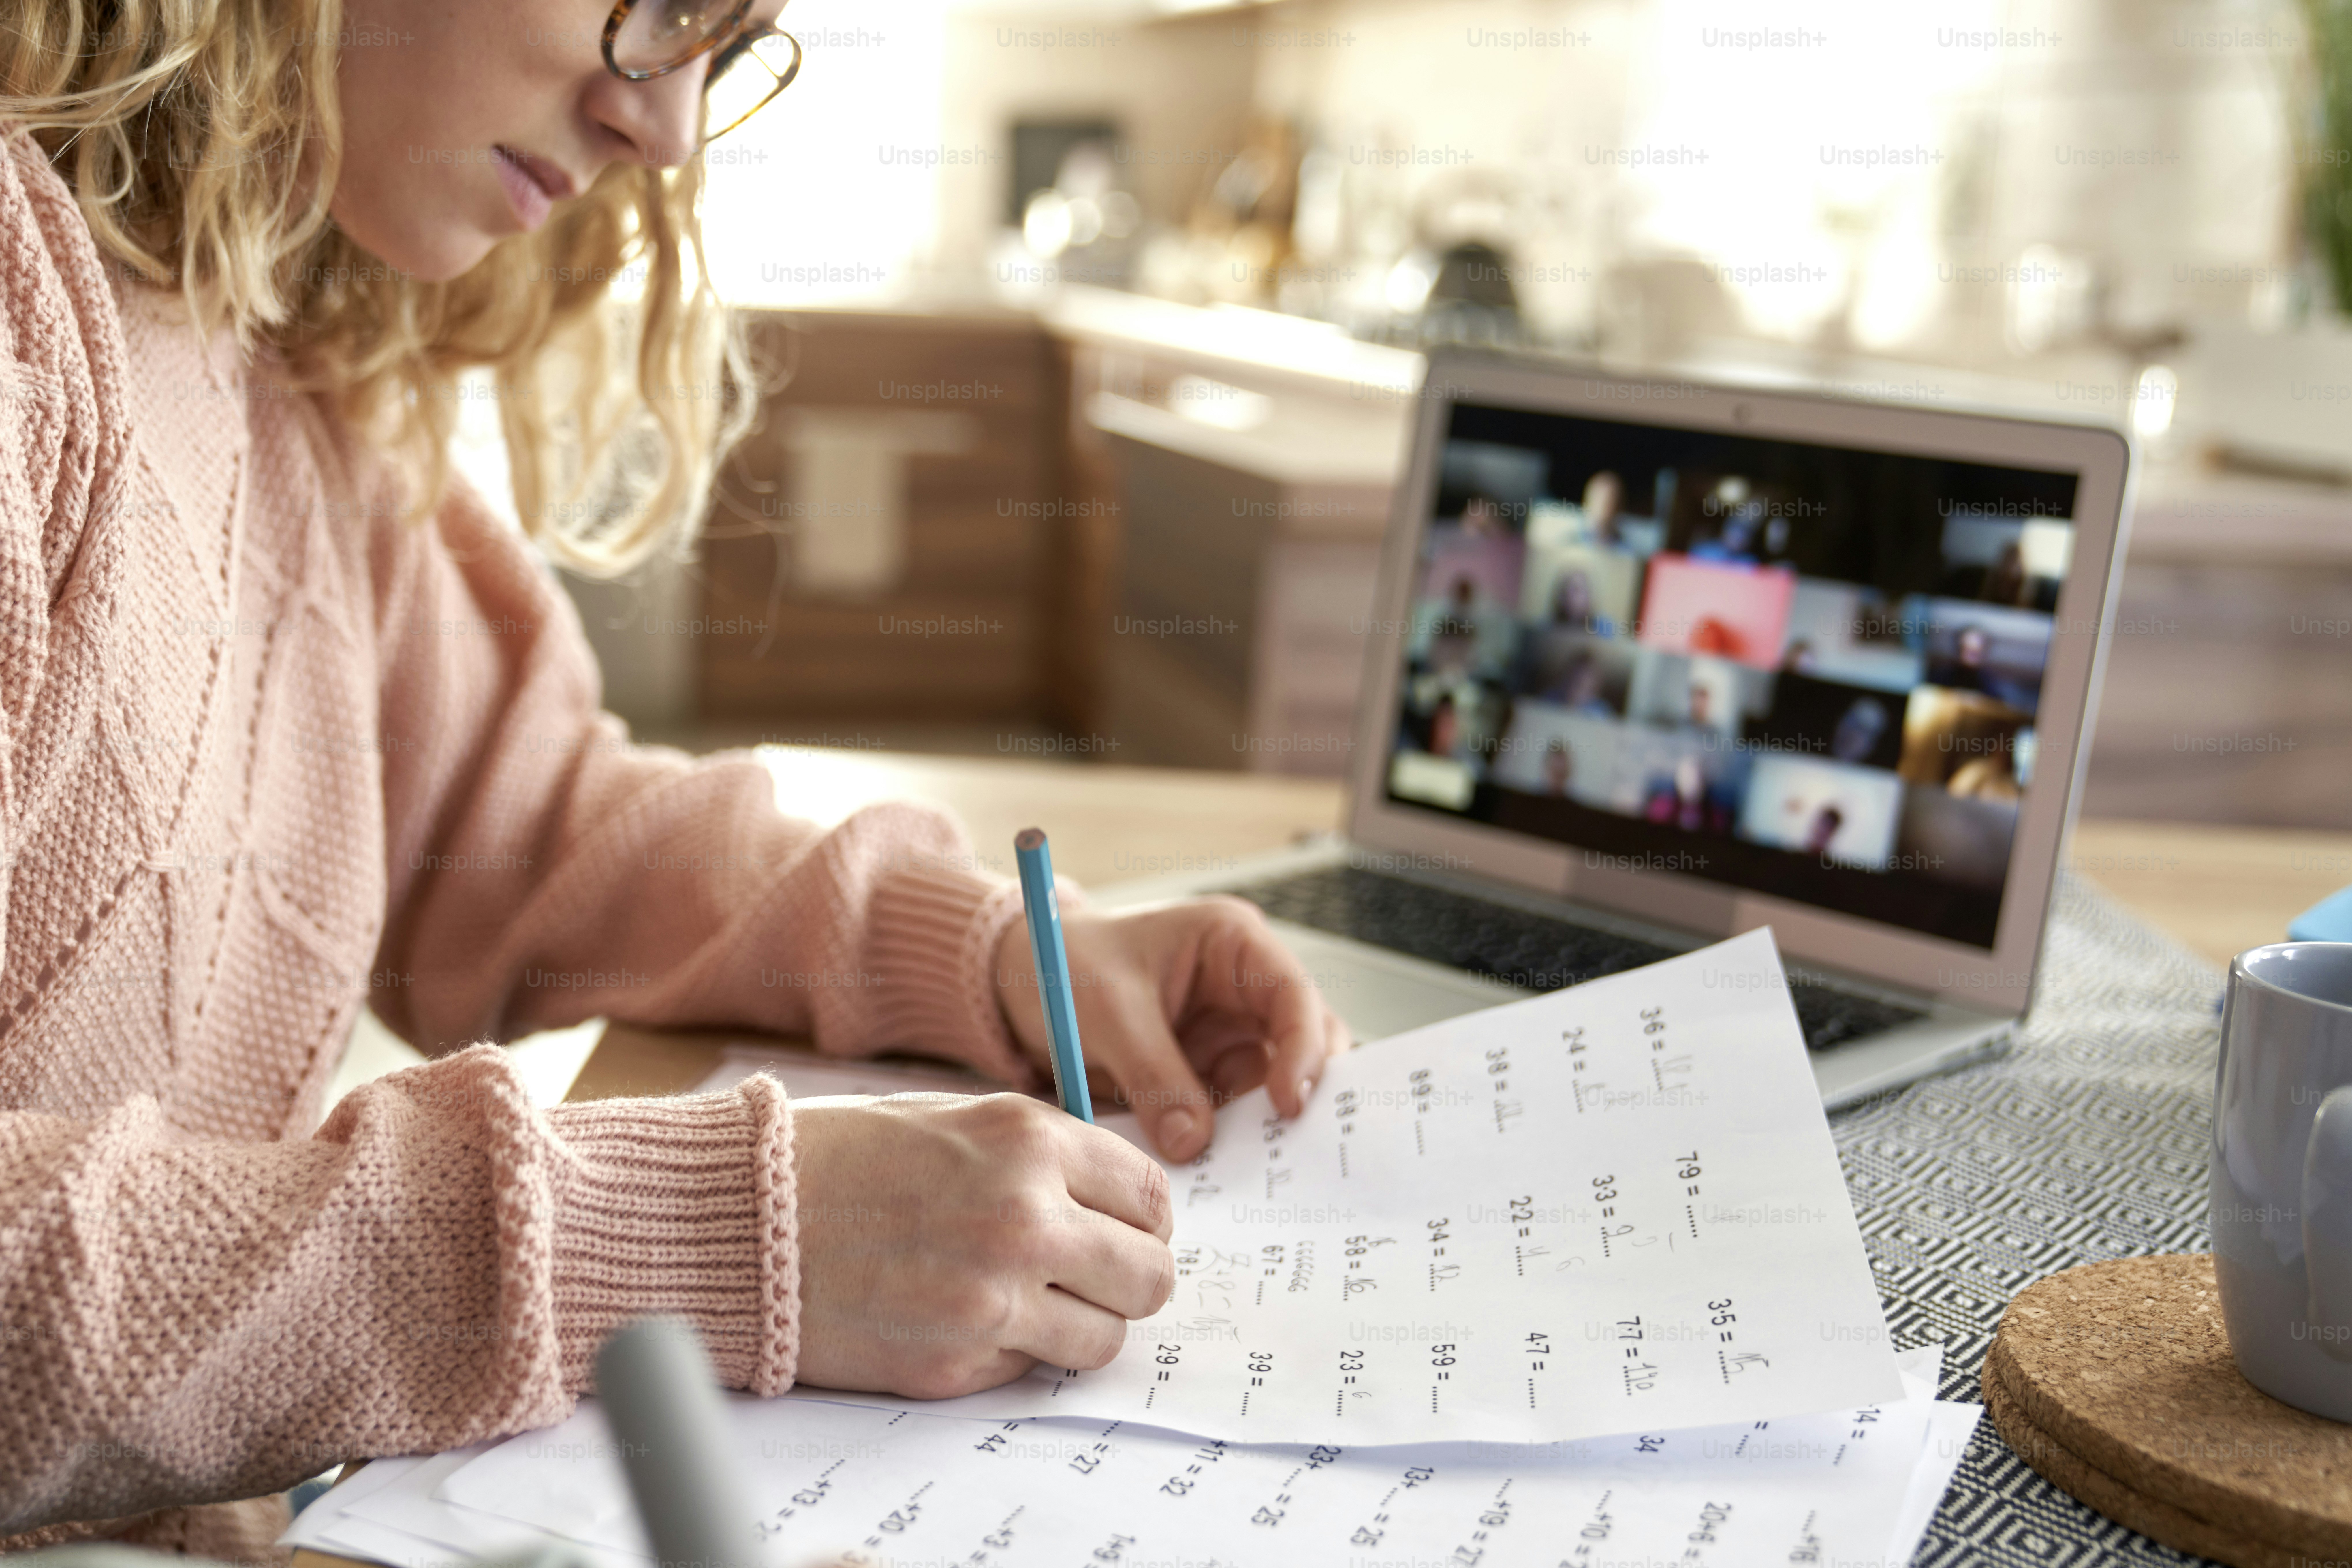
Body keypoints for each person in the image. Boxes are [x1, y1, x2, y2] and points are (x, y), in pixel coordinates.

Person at [0, 2, 1349, 1555]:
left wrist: (979, 953)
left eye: (728, 39)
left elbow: (534, 830)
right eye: (652, 5)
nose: (668, 129)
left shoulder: (286, 371)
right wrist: (687, 1241)